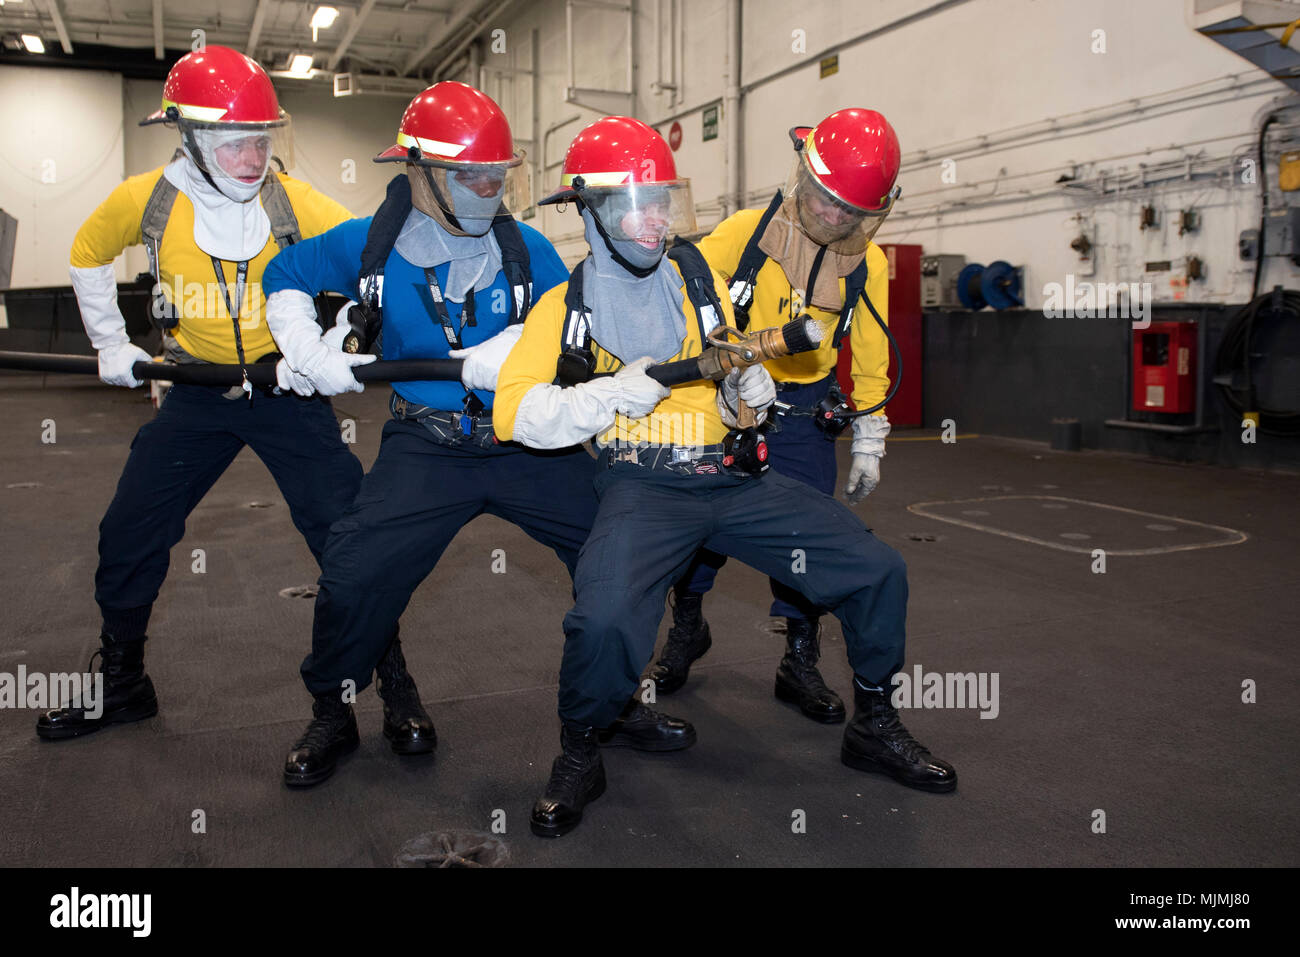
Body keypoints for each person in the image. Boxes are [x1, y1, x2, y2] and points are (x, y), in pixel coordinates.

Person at [493, 116, 956, 838]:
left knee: (876, 569)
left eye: (661, 202)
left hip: (736, 478)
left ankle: (874, 723)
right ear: (593, 210)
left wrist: (750, 389)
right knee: (605, 617)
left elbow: (731, 355)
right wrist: (605, 396)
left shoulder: (697, 278)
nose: (653, 222)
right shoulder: (566, 307)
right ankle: (582, 748)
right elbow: (516, 413)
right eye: (633, 205)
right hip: (643, 485)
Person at [261, 83, 695, 788]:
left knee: (621, 553)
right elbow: (285, 273)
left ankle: (616, 702)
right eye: (474, 177)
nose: (491, 191)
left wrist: (536, 346)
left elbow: (578, 315)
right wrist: (310, 351)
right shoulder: (370, 245)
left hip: (526, 440)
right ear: (423, 172)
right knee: (354, 571)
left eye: (501, 177)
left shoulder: (525, 249)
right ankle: (335, 710)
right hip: (426, 443)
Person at [35, 46, 410, 740]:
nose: (250, 154)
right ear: (188, 137)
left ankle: (392, 683)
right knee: (129, 530)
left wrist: (328, 348)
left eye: (260, 137)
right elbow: (86, 253)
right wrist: (110, 343)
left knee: (348, 535)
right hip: (194, 391)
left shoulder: (294, 200)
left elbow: (373, 265)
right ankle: (123, 684)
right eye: (231, 139)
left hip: (284, 390)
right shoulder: (146, 200)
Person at [650, 109, 902, 725]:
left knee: (804, 546)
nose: (834, 217)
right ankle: (687, 628)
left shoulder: (869, 263)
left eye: (852, 210)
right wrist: (731, 360)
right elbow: (689, 295)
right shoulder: (744, 233)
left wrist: (870, 435)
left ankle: (799, 659)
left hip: (805, 412)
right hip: (729, 404)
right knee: (696, 531)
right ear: (803, 178)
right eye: (825, 199)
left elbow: (870, 349)